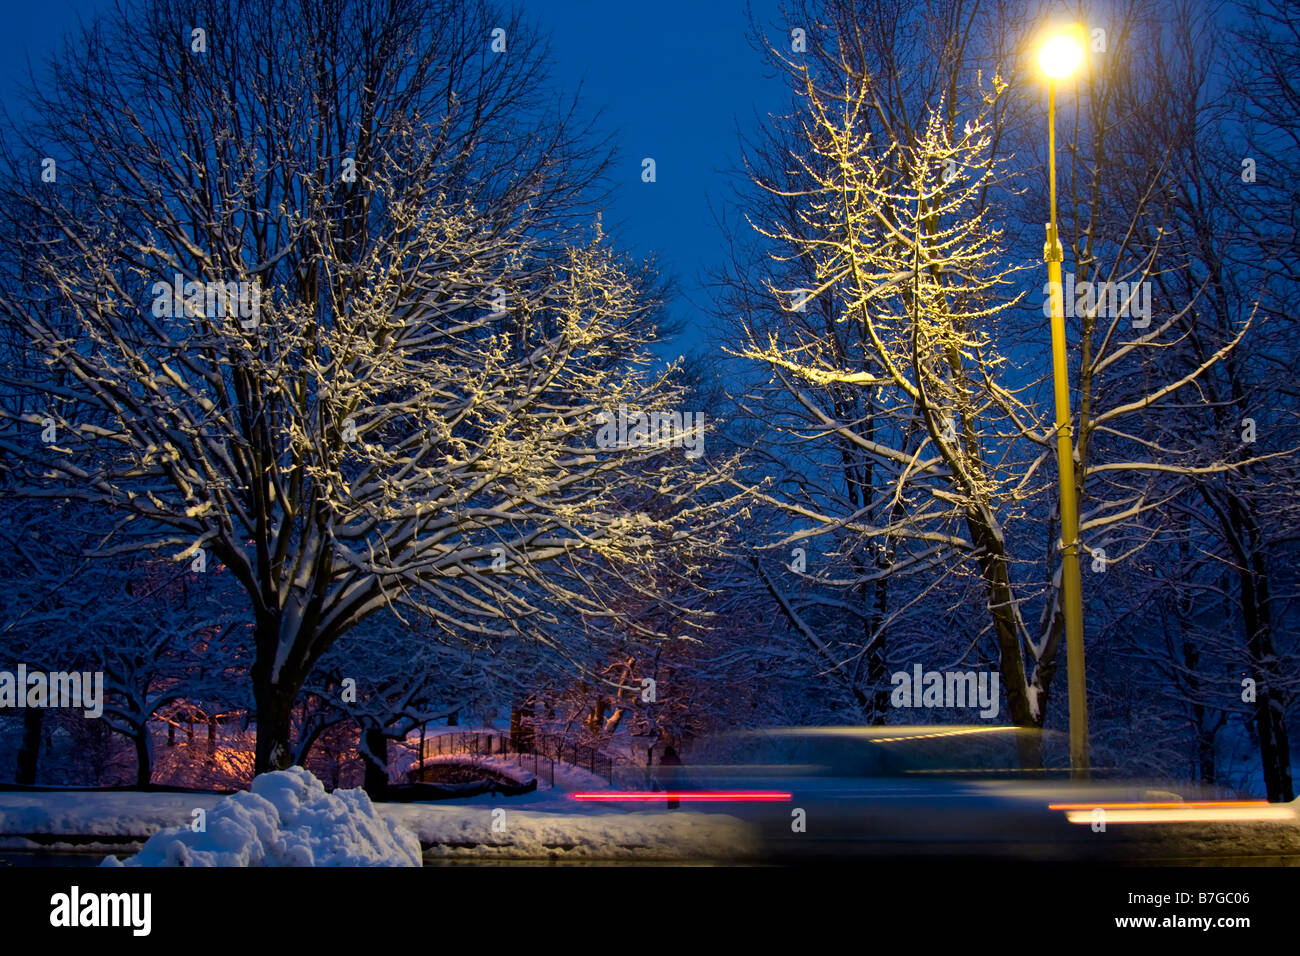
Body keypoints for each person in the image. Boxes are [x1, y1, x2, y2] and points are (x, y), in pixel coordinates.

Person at [657, 744, 683, 809]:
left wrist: (662, 780)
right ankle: (676, 809)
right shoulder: (677, 760)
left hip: (668, 782)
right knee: (676, 798)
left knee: (670, 798)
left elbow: (661, 772)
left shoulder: (664, 761)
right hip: (676, 782)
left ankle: (671, 809)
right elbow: (681, 770)